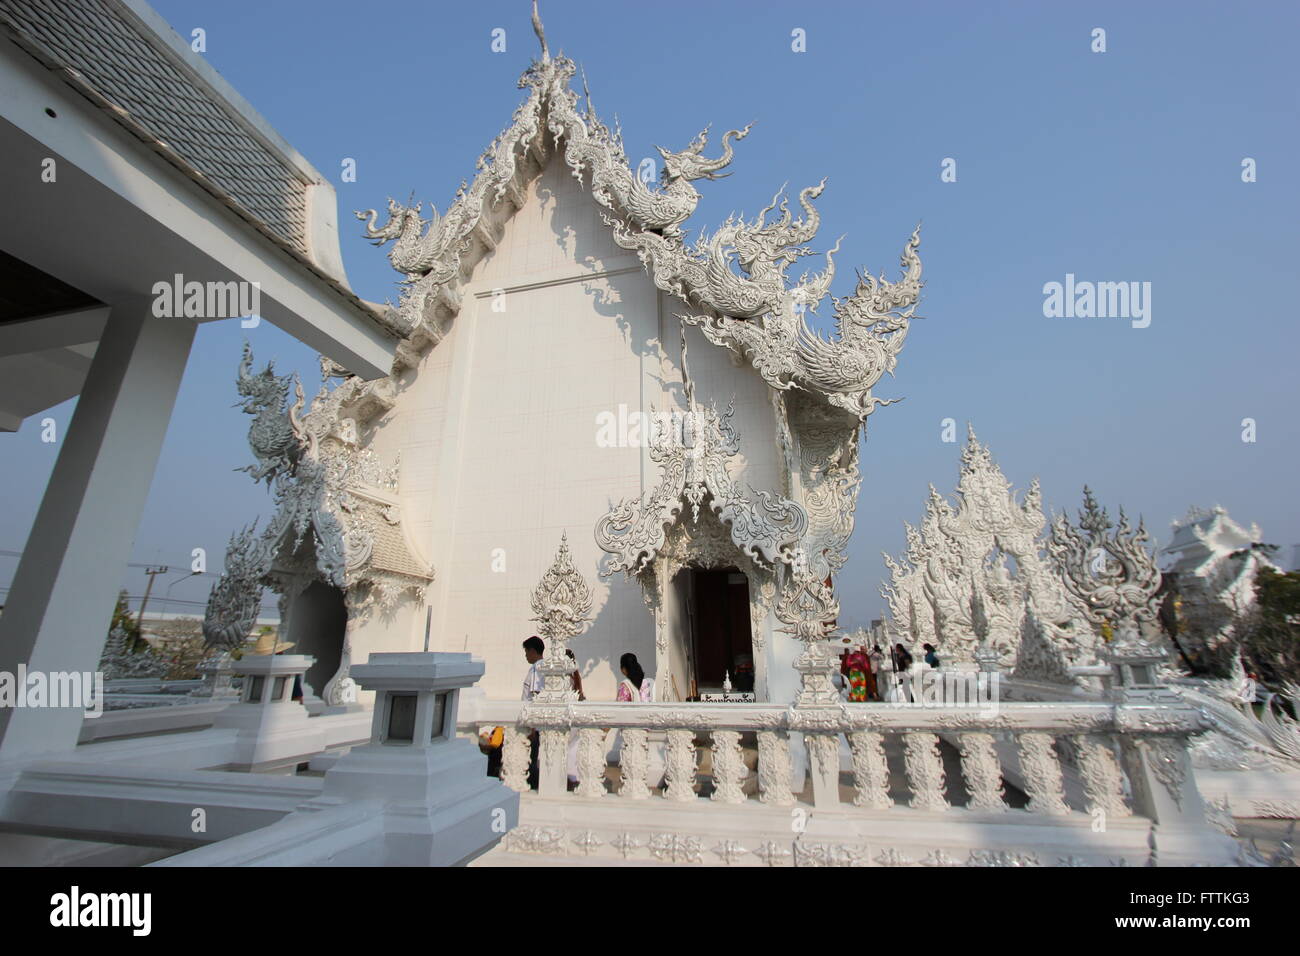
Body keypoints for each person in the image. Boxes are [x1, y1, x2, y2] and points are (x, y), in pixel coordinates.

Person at [521, 636, 544, 789]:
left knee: (531, 756)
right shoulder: (544, 666)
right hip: (539, 720)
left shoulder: (537, 668)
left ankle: (532, 783)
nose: (525, 655)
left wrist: (532, 725)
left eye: (526, 652)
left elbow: (535, 695)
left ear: (533, 651)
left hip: (534, 722)